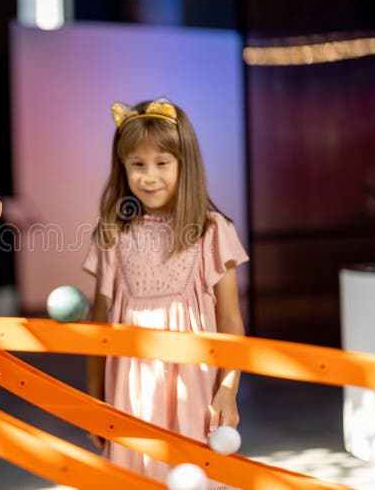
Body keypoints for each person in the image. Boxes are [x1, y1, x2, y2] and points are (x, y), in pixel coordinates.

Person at [83, 99, 248, 486]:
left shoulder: (213, 231)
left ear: (184, 164)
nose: (149, 176)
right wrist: (93, 401)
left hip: (194, 391)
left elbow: (230, 321)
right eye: (137, 164)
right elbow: (99, 326)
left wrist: (227, 390)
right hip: (131, 396)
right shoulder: (114, 234)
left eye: (162, 163)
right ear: (122, 167)